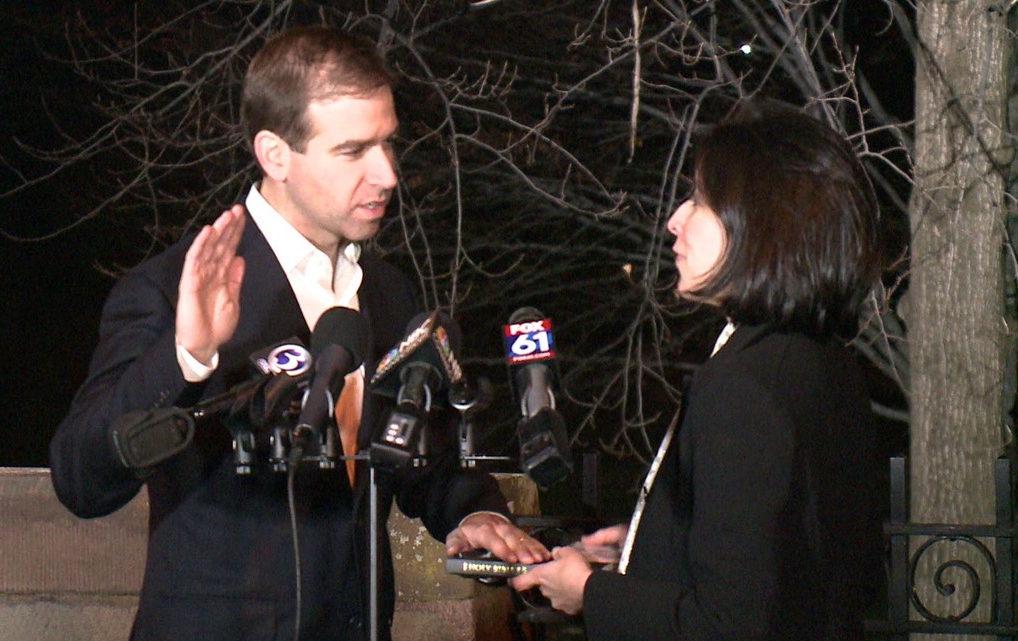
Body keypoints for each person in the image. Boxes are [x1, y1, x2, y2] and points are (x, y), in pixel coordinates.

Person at [50, 24, 547, 641]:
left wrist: (472, 510)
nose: (387, 175)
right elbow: (80, 480)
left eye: (388, 144)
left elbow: (424, 460)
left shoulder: (388, 293)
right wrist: (185, 357)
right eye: (353, 151)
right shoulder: (171, 290)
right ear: (275, 154)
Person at [511, 99, 885, 640]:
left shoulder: (742, 387)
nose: (675, 221)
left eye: (700, 201)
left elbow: (729, 625)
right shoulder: (821, 362)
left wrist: (589, 593)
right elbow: (793, 564)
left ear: (760, 228)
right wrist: (645, 543)